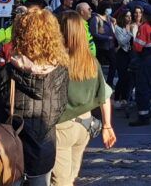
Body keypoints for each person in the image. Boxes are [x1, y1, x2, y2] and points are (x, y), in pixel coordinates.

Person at [0, 8, 69, 184]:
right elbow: (61, 106)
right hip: (43, 147)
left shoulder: (9, 70)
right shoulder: (61, 71)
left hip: (10, 148)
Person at [53, 11, 116, 185]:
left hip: (62, 126)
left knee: (60, 181)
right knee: (71, 176)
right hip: (85, 125)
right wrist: (107, 126)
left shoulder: (57, 62)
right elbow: (104, 96)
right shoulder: (91, 61)